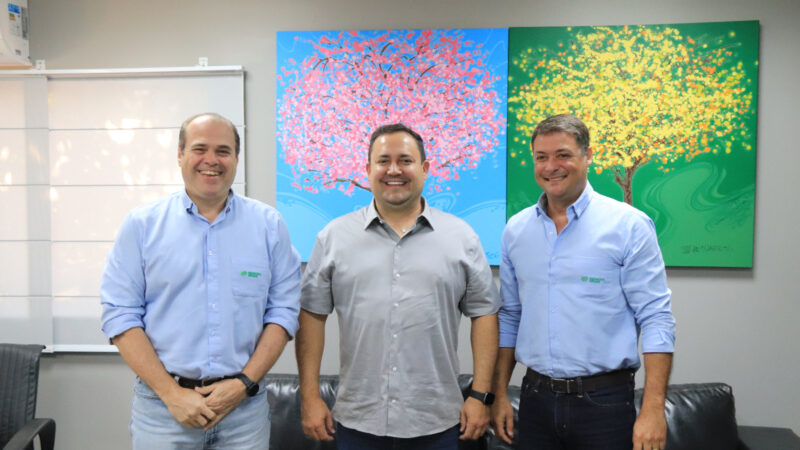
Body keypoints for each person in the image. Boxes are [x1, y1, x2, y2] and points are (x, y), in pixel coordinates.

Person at [100, 112, 301, 449]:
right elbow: (119, 316)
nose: (212, 160)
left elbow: (283, 313)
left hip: (244, 412)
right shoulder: (142, 226)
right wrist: (171, 394)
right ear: (180, 155)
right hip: (163, 412)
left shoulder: (269, 226)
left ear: (237, 159)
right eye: (199, 149)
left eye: (223, 151)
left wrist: (242, 384)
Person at [296, 123, 500, 449]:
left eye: (405, 160)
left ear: (425, 168)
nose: (394, 170)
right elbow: (312, 316)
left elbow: (485, 314)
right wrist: (309, 397)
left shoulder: (461, 237)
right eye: (383, 161)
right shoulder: (334, 237)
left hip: (438, 421)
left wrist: (481, 395)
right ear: (367, 170)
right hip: (356, 421)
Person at [492, 114, 676, 450]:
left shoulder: (628, 225)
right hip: (534, 401)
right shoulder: (516, 231)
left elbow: (655, 318)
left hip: (603, 404)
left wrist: (652, 409)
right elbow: (510, 318)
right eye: (541, 157)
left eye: (563, 155)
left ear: (588, 155)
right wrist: (499, 393)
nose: (551, 167)